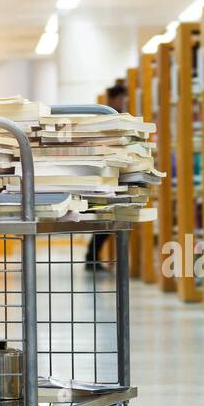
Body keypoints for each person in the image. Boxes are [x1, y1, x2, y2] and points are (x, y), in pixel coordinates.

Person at [84, 81, 130, 271]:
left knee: (107, 220)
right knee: (105, 219)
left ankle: (92, 257)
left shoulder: (113, 116)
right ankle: (91, 258)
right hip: (105, 178)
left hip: (111, 176)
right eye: (121, 98)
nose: (123, 102)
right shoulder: (108, 117)